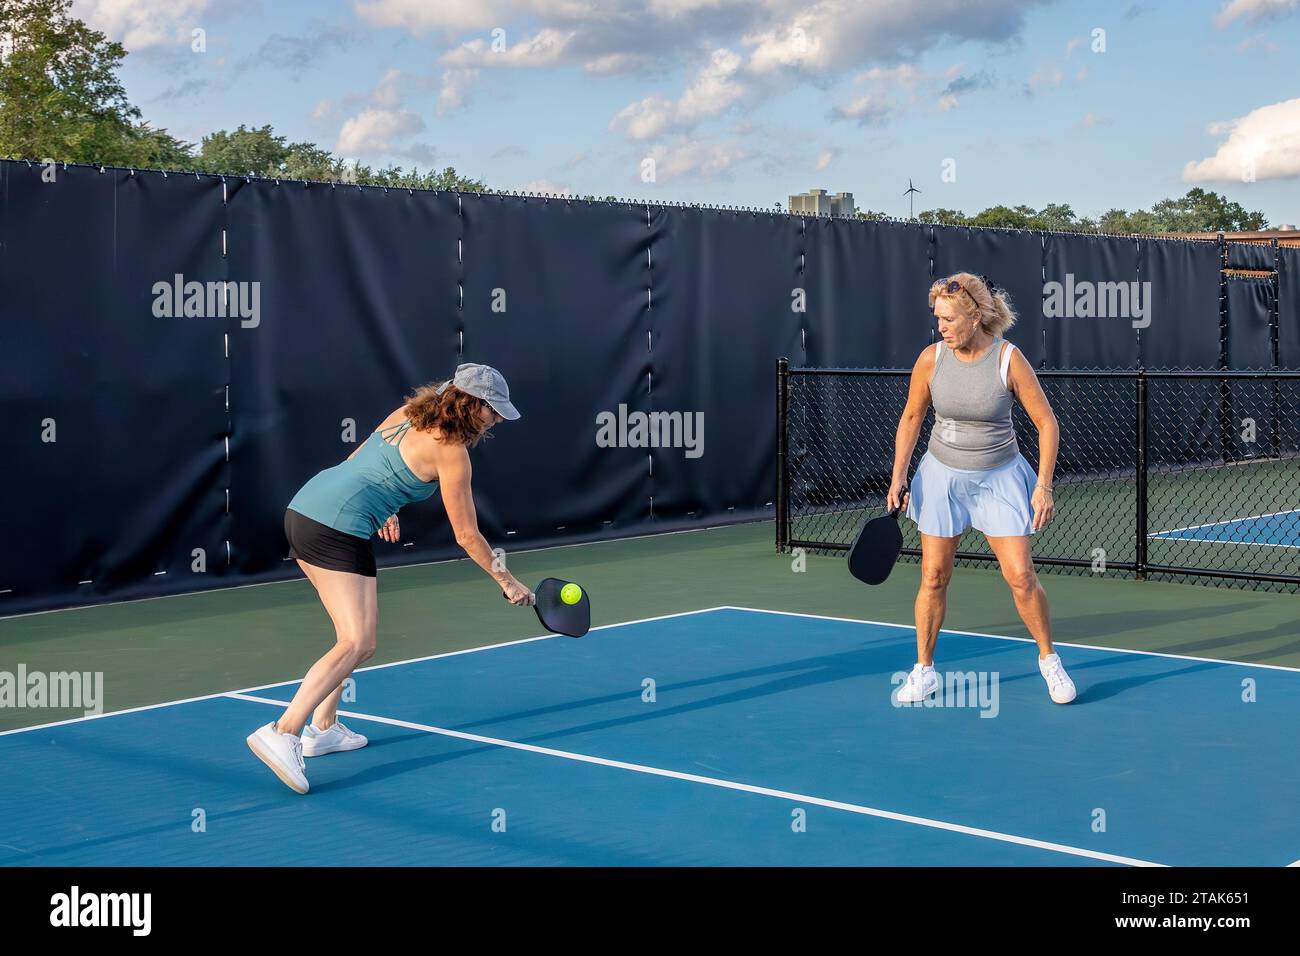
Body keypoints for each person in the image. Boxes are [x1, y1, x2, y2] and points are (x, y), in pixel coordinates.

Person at [246, 363, 536, 793]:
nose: (496, 421)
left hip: (306, 507)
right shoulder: (452, 452)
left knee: (353, 638)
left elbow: (357, 462)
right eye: (493, 411)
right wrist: (507, 582)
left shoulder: (408, 416)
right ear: (472, 405)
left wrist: (388, 503)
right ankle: (283, 730)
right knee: (358, 641)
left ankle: (323, 728)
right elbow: (466, 535)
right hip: (335, 525)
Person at [887, 273, 1077, 705]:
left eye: (949, 318)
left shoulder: (1009, 360)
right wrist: (899, 476)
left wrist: (1043, 485)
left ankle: (1049, 660)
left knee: (1021, 577)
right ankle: (924, 670)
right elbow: (912, 417)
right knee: (933, 576)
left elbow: (1047, 423)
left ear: (974, 317)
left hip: (1000, 476)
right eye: (938, 318)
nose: (942, 326)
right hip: (941, 475)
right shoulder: (931, 359)